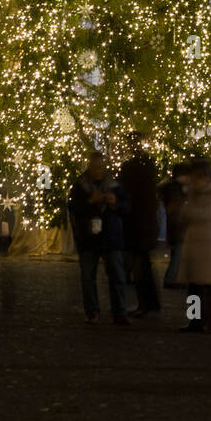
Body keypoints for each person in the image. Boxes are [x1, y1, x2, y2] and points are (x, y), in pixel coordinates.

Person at [68, 152, 131, 326]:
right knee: (88, 277)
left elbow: (126, 207)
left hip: (111, 236)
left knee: (117, 275)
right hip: (88, 237)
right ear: (89, 166)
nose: (98, 170)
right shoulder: (80, 186)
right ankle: (92, 312)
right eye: (95, 167)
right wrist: (89, 202)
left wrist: (114, 203)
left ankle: (120, 312)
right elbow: (73, 208)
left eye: (101, 167)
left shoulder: (115, 186)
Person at [177, 158, 211, 333]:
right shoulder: (194, 192)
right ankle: (195, 321)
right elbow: (185, 215)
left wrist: (189, 211)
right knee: (194, 287)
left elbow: (210, 215)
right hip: (195, 244)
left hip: (209, 246)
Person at [119, 132, 161, 318]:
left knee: (140, 267)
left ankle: (147, 304)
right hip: (145, 222)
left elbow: (124, 192)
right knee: (143, 265)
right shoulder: (148, 165)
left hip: (136, 223)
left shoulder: (132, 167)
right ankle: (149, 304)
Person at [159, 163, 188, 288]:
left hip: (175, 227)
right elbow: (175, 210)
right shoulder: (176, 190)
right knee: (177, 255)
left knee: (177, 254)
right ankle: (170, 279)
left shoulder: (172, 187)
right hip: (177, 228)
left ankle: (173, 278)